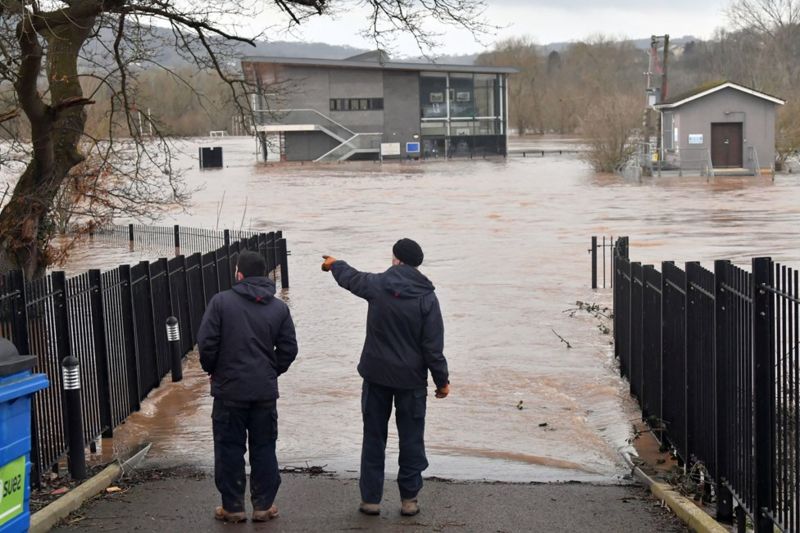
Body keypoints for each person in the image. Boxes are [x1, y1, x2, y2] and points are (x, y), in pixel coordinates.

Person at [321, 238, 450, 517]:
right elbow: (432, 346)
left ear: (396, 259)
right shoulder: (427, 297)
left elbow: (351, 279)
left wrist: (335, 265)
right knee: (412, 439)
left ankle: (371, 500)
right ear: (417, 263)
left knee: (374, 437)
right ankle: (409, 500)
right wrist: (442, 381)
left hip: (376, 376)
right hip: (412, 381)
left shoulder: (378, 285)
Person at [198, 250, 298, 523]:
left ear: (239, 274)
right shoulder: (279, 308)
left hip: (229, 390)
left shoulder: (220, 303)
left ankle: (232, 507)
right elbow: (289, 349)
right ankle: (263, 506)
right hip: (264, 391)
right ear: (264, 275)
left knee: (229, 448)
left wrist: (213, 370)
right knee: (264, 447)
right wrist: (271, 371)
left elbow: (207, 344)